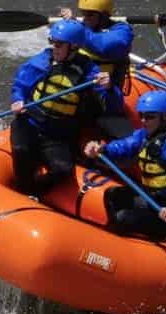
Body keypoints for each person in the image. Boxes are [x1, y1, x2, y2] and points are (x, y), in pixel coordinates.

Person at [82, 89, 166, 239]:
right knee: (113, 194)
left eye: (149, 117)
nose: (143, 121)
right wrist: (103, 149)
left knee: (124, 218)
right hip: (157, 200)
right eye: (141, 116)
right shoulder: (148, 134)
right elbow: (127, 145)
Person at [8, 17, 120, 194]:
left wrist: (109, 87)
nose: (54, 47)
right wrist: (17, 99)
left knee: (63, 170)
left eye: (59, 44)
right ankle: (22, 189)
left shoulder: (89, 72)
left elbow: (113, 104)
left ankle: (36, 192)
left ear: (74, 46)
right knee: (21, 150)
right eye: (52, 42)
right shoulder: (41, 61)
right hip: (29, 124)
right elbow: (20, 86)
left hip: (57, 135)